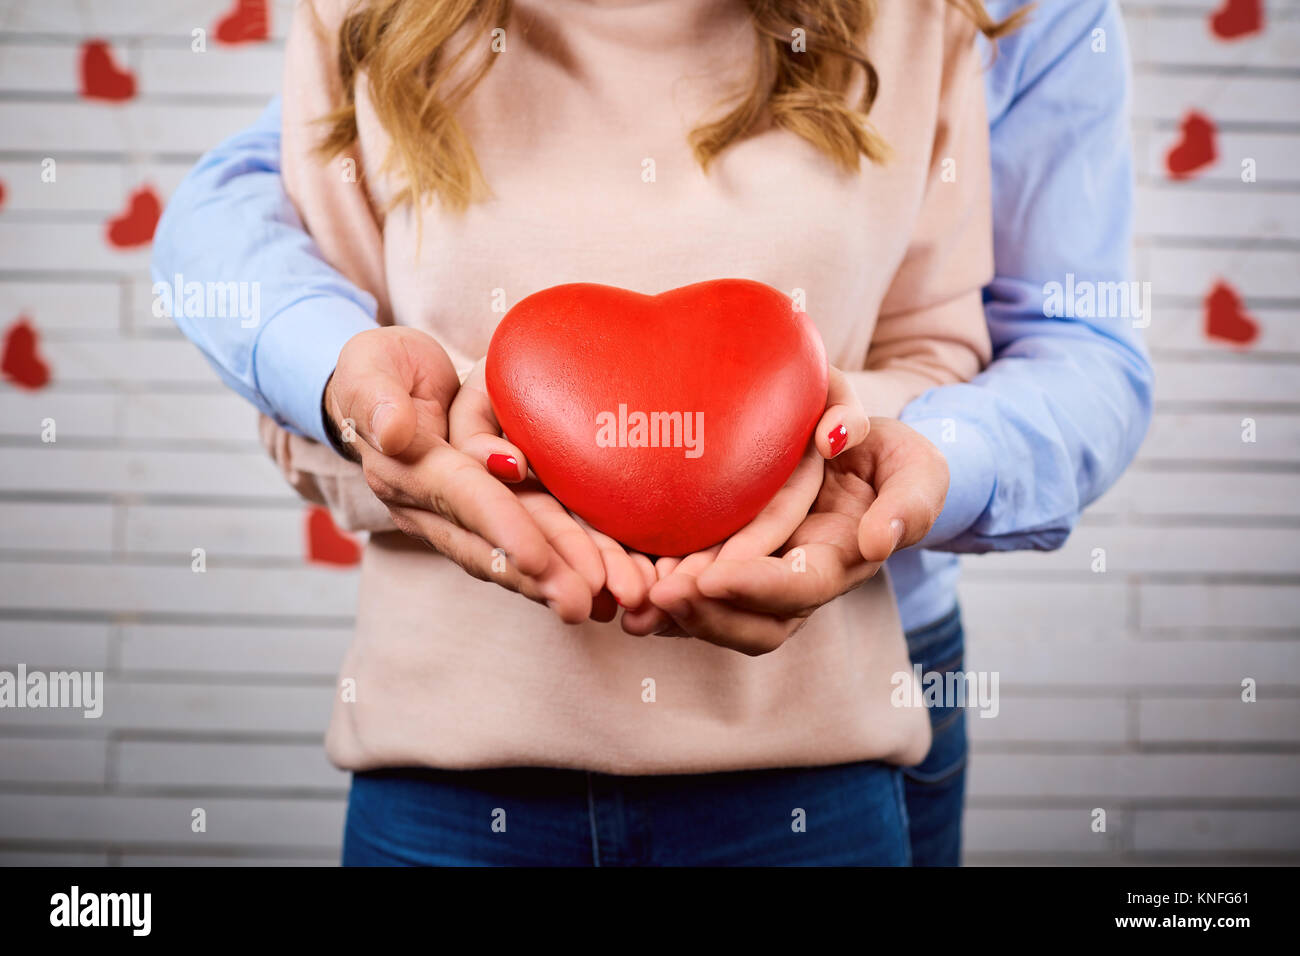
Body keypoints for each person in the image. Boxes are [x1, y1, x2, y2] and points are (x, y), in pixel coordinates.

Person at [154, 0, 1152, 866]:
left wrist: (868, 462)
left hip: (819, 734)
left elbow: (989, 347)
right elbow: (286, 298)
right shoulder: (379, 23)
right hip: (452, 749)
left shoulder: (925, 29)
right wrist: (396, 427)